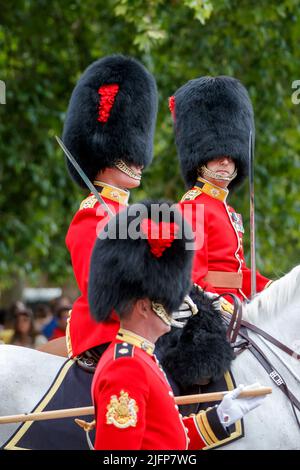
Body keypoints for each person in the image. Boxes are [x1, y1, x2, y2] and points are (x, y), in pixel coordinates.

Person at [88, 201, 266, 450]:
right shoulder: (126, 367)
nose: (177, 305)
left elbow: (171, 439)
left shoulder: (142, 358)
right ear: (143, 307)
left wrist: (222, 416)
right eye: (165, 299)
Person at [38, 55, 157, 358]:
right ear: (105, 156)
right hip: (104, 335)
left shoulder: (129, 216)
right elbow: (101, 289)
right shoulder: (92, 215)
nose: (139, 162)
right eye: (130, 155)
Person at [169, 76, 272, 304]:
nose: (226, 161)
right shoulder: (191, 209)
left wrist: (279, 290)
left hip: (237, 307)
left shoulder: (229, 211)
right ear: (200, 159)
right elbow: (192, 277)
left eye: (231, 156)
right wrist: (223, 306)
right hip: (210, 311)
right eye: (217, 155)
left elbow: (241, 276)